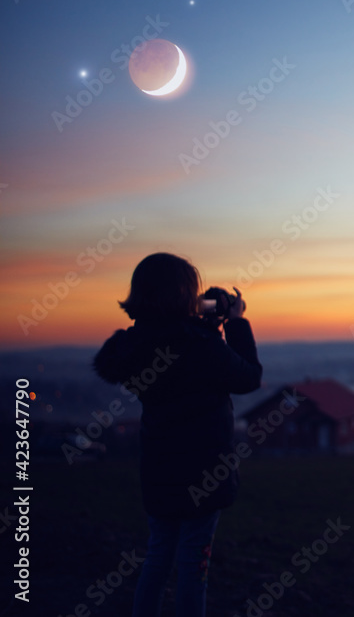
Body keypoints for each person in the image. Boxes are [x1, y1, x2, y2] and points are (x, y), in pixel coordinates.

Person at [93, 252, 262, 617]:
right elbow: (249, 377)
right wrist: (235, 321)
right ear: (183, 294)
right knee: (193, 568)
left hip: (159, 471)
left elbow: (173, 344)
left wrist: (203, 325)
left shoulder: (136, 345)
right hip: (204, 473)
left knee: (157, 558)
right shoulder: (199, 345)